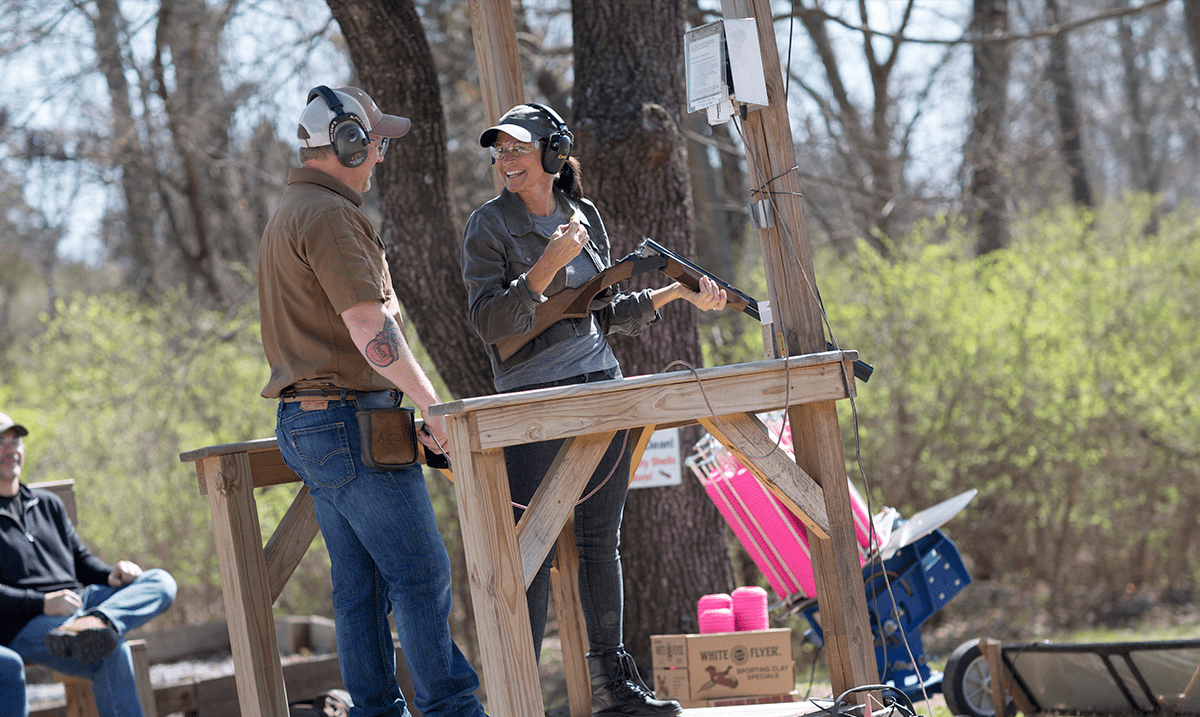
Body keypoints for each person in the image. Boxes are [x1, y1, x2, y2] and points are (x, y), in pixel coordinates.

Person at [460, 104, 727, 717]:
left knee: (601, 540)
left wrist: (677, 293)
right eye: (500, 151)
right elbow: (487, 323)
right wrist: (546, 267)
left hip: (601, 388)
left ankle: (615, 689)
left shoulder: (586, 217)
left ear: (553, 156)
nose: (506, 160)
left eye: (518, 150)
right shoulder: (488, 226)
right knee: (532, 548)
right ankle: (519, 697)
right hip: (533, 403)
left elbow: (598, 314)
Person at [258, 85, 485, 717]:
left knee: (361, 590)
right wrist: (432, 404)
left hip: (316, 422)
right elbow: (367, 324)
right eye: (374, 139)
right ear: (346, 142)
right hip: (348, 420)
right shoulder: (329, 216)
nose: (380, 153)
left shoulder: (294, 209)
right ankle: (452, 710)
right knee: (422, 575)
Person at [0, 411, 177, 717]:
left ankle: (99, 620)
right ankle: (96, 626)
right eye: (0, 441)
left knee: (161, 581)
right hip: (28, 622)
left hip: (84, 604)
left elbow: (80, 562)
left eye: (14, 439)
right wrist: (43, 603)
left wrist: (112, 574)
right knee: (110, 648)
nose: (10, 448)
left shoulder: (47, 504)